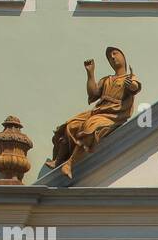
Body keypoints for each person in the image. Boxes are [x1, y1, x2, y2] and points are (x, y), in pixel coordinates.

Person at [45, 47, 141, 180]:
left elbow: (135, 86)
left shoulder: (129, 77)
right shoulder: (107, 79)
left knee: (90, 127)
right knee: (71, 125)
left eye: (115, 53)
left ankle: (70, 164)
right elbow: (93, 93)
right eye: (109, 57)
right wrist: (90, 74)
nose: (112, 57)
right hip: (99, 111)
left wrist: (131, 85)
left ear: (123, 57)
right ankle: (59, 160)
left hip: (114, 115)